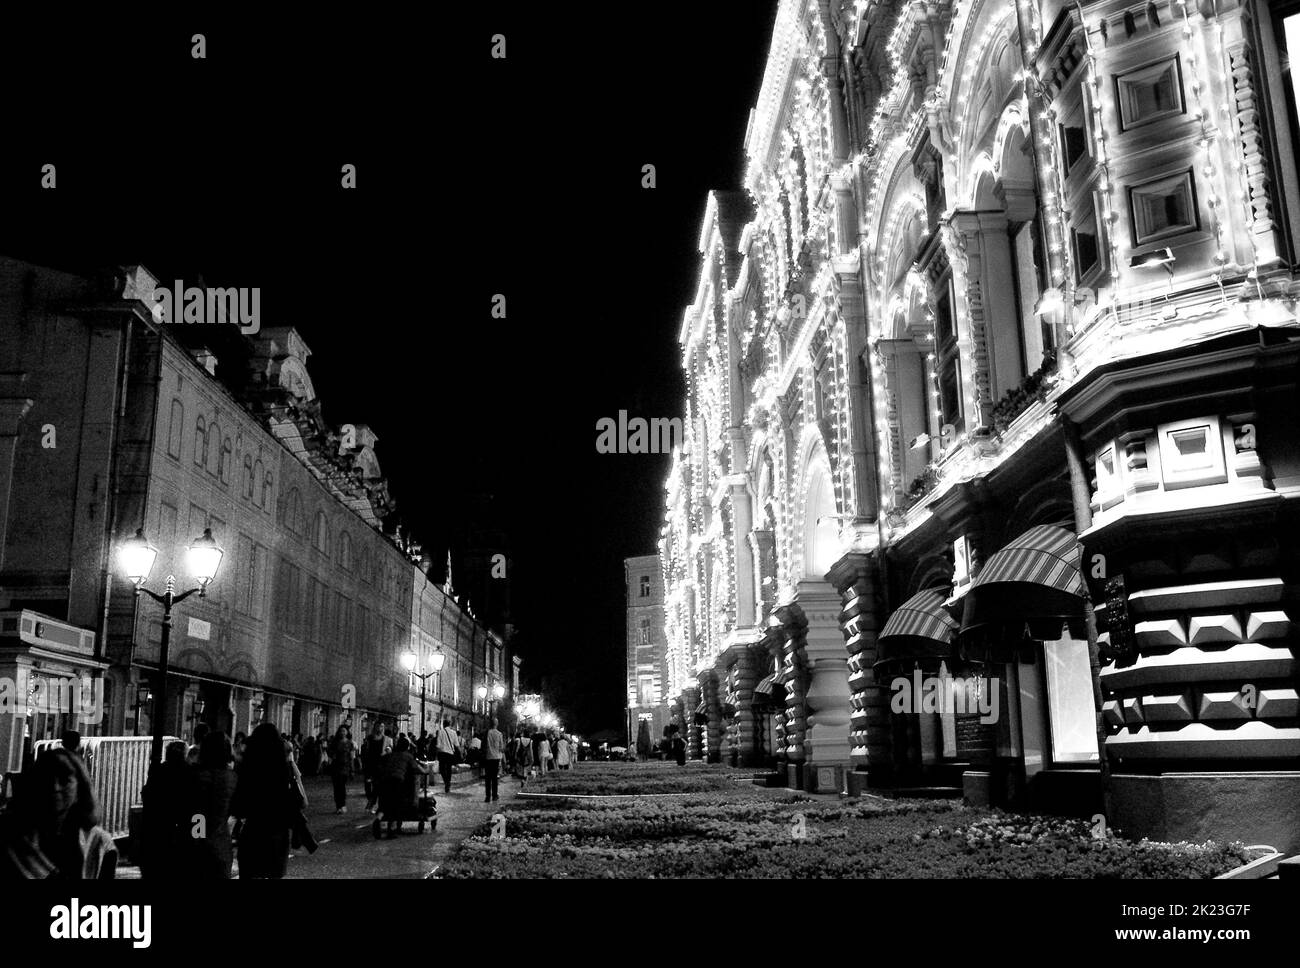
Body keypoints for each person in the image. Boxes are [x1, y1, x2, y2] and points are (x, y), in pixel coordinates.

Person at [0, 746, 117, 879]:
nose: (55, 787)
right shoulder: (10, 836)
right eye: (46, 779)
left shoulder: (100, 844)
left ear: (80, 789)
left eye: (64, 780)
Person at [230, 722, 301, 879]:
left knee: (250, 872)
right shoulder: (283, 768)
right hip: (278, 831)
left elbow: (238, 805)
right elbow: (293, 801)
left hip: (254, 830)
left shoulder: (248, 768)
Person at [139, 740, 198, 880]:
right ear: (185, 755)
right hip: (181, 832)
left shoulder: (158, 770)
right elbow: (197, 810)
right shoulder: (191, 773)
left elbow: (147, 795)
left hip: (158, 830)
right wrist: (198, 837)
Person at [192, 730, 237, 878]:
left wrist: (198, 838)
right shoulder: (231, 777)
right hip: (222, 843)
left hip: (199, 843)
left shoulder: (197, 776)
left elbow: (198, 814)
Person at [377, 735, 429, 838]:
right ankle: (392, 829)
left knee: (385, 804)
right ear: (407, 747)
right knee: (395, 803)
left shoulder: (390, 755)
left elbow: (381, 763)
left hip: (384, 780)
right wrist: (425, 771)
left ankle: (378, 819)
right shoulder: (407, 756)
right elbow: (416, 768)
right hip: (396, 780)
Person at [284, 736, 317, 854]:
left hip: (290, 797)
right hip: (291, 797)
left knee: (297, 820)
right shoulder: (289, 764)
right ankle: (303, 844)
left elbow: (295, 780)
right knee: (297, 820)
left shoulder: (287, 765)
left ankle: (302, 843)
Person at [361, 720, 389, 814]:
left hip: (381, 766)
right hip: (370, 765)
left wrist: (388, 750)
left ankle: (372, 804)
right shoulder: (369, 738)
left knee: (377, 786)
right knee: (368, 785)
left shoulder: (386, 739)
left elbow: (390, 750)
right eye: (378, 726)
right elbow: (365, 751)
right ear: (374, 728)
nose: (380, 729)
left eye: (381, 727)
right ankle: (371, 801)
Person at [328, 725, 354, 814]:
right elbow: (329, 752)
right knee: (336, 787)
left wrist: (352, 769)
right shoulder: (335, 742)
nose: (342, 733)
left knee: (342, 786)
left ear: (347, 732)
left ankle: (342, 805)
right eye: (341, 731)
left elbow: (351, 756)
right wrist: (333, 755)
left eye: (344, 731)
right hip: (336, 766)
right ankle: (338, 806)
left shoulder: (350, 743)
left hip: (345, 767)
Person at [434, 718, 459, 794]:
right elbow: (456, 744)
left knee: (442, 769)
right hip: (450, 753)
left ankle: (446, 782)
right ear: (449, 724)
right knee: (449, 769)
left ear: (443, 724)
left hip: (442, 753)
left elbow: (438, 745)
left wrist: (436, 755)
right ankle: (448, 782)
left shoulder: (440, 732)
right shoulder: (453, 732)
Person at [482, 718, 505, 802]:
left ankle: (487, 796)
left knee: (487, 777)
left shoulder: (487, 733)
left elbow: (483, 745)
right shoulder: (499, 734)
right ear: (497, 724)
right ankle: (495, 795)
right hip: (496, 758)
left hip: (488, 757)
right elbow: (501, 748)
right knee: (495, 777)